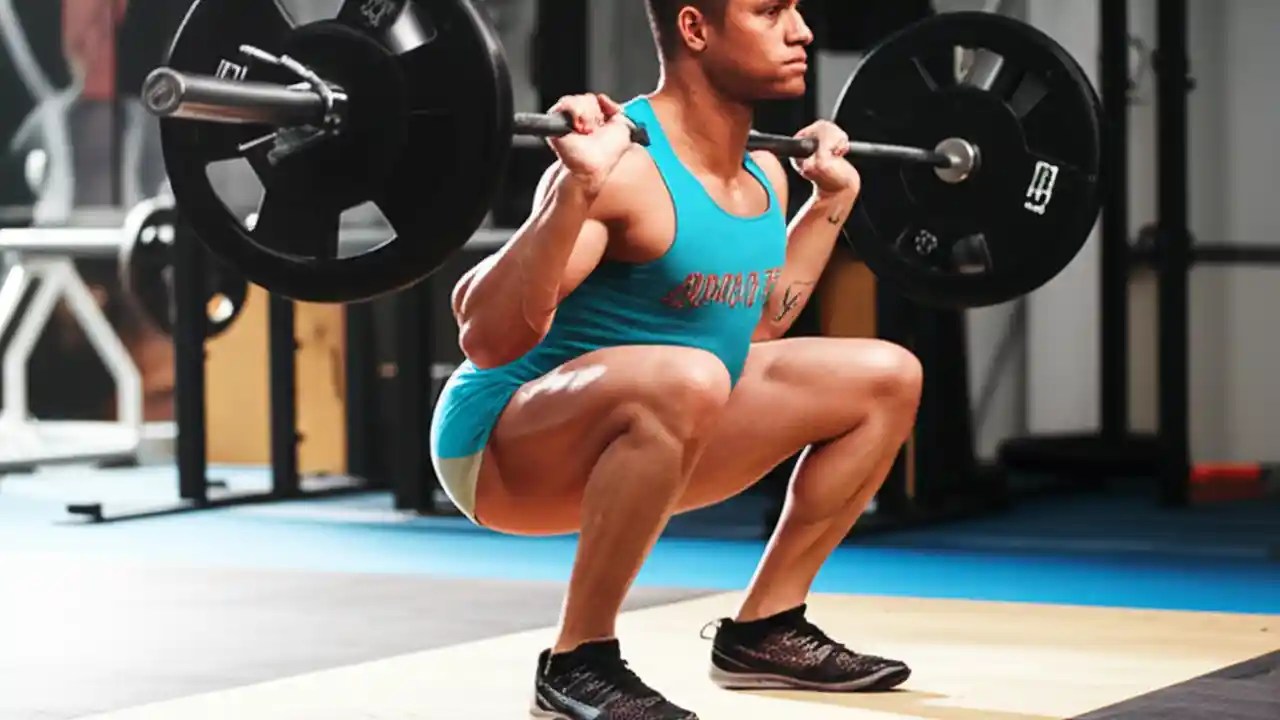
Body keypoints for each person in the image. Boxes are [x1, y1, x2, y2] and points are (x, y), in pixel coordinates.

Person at [431, 1, 923, 717]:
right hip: (499, 449)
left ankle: (765, 629)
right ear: (695, 30)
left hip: (656, 413)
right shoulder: (624, 166)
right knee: (689, 377)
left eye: (795, 9)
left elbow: (753, 327)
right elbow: (484, 338)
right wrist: (574, 188)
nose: (801, 31)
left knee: (887, 377)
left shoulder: (763, 173)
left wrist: (829, 202)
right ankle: (577, 660)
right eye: (769, 12)